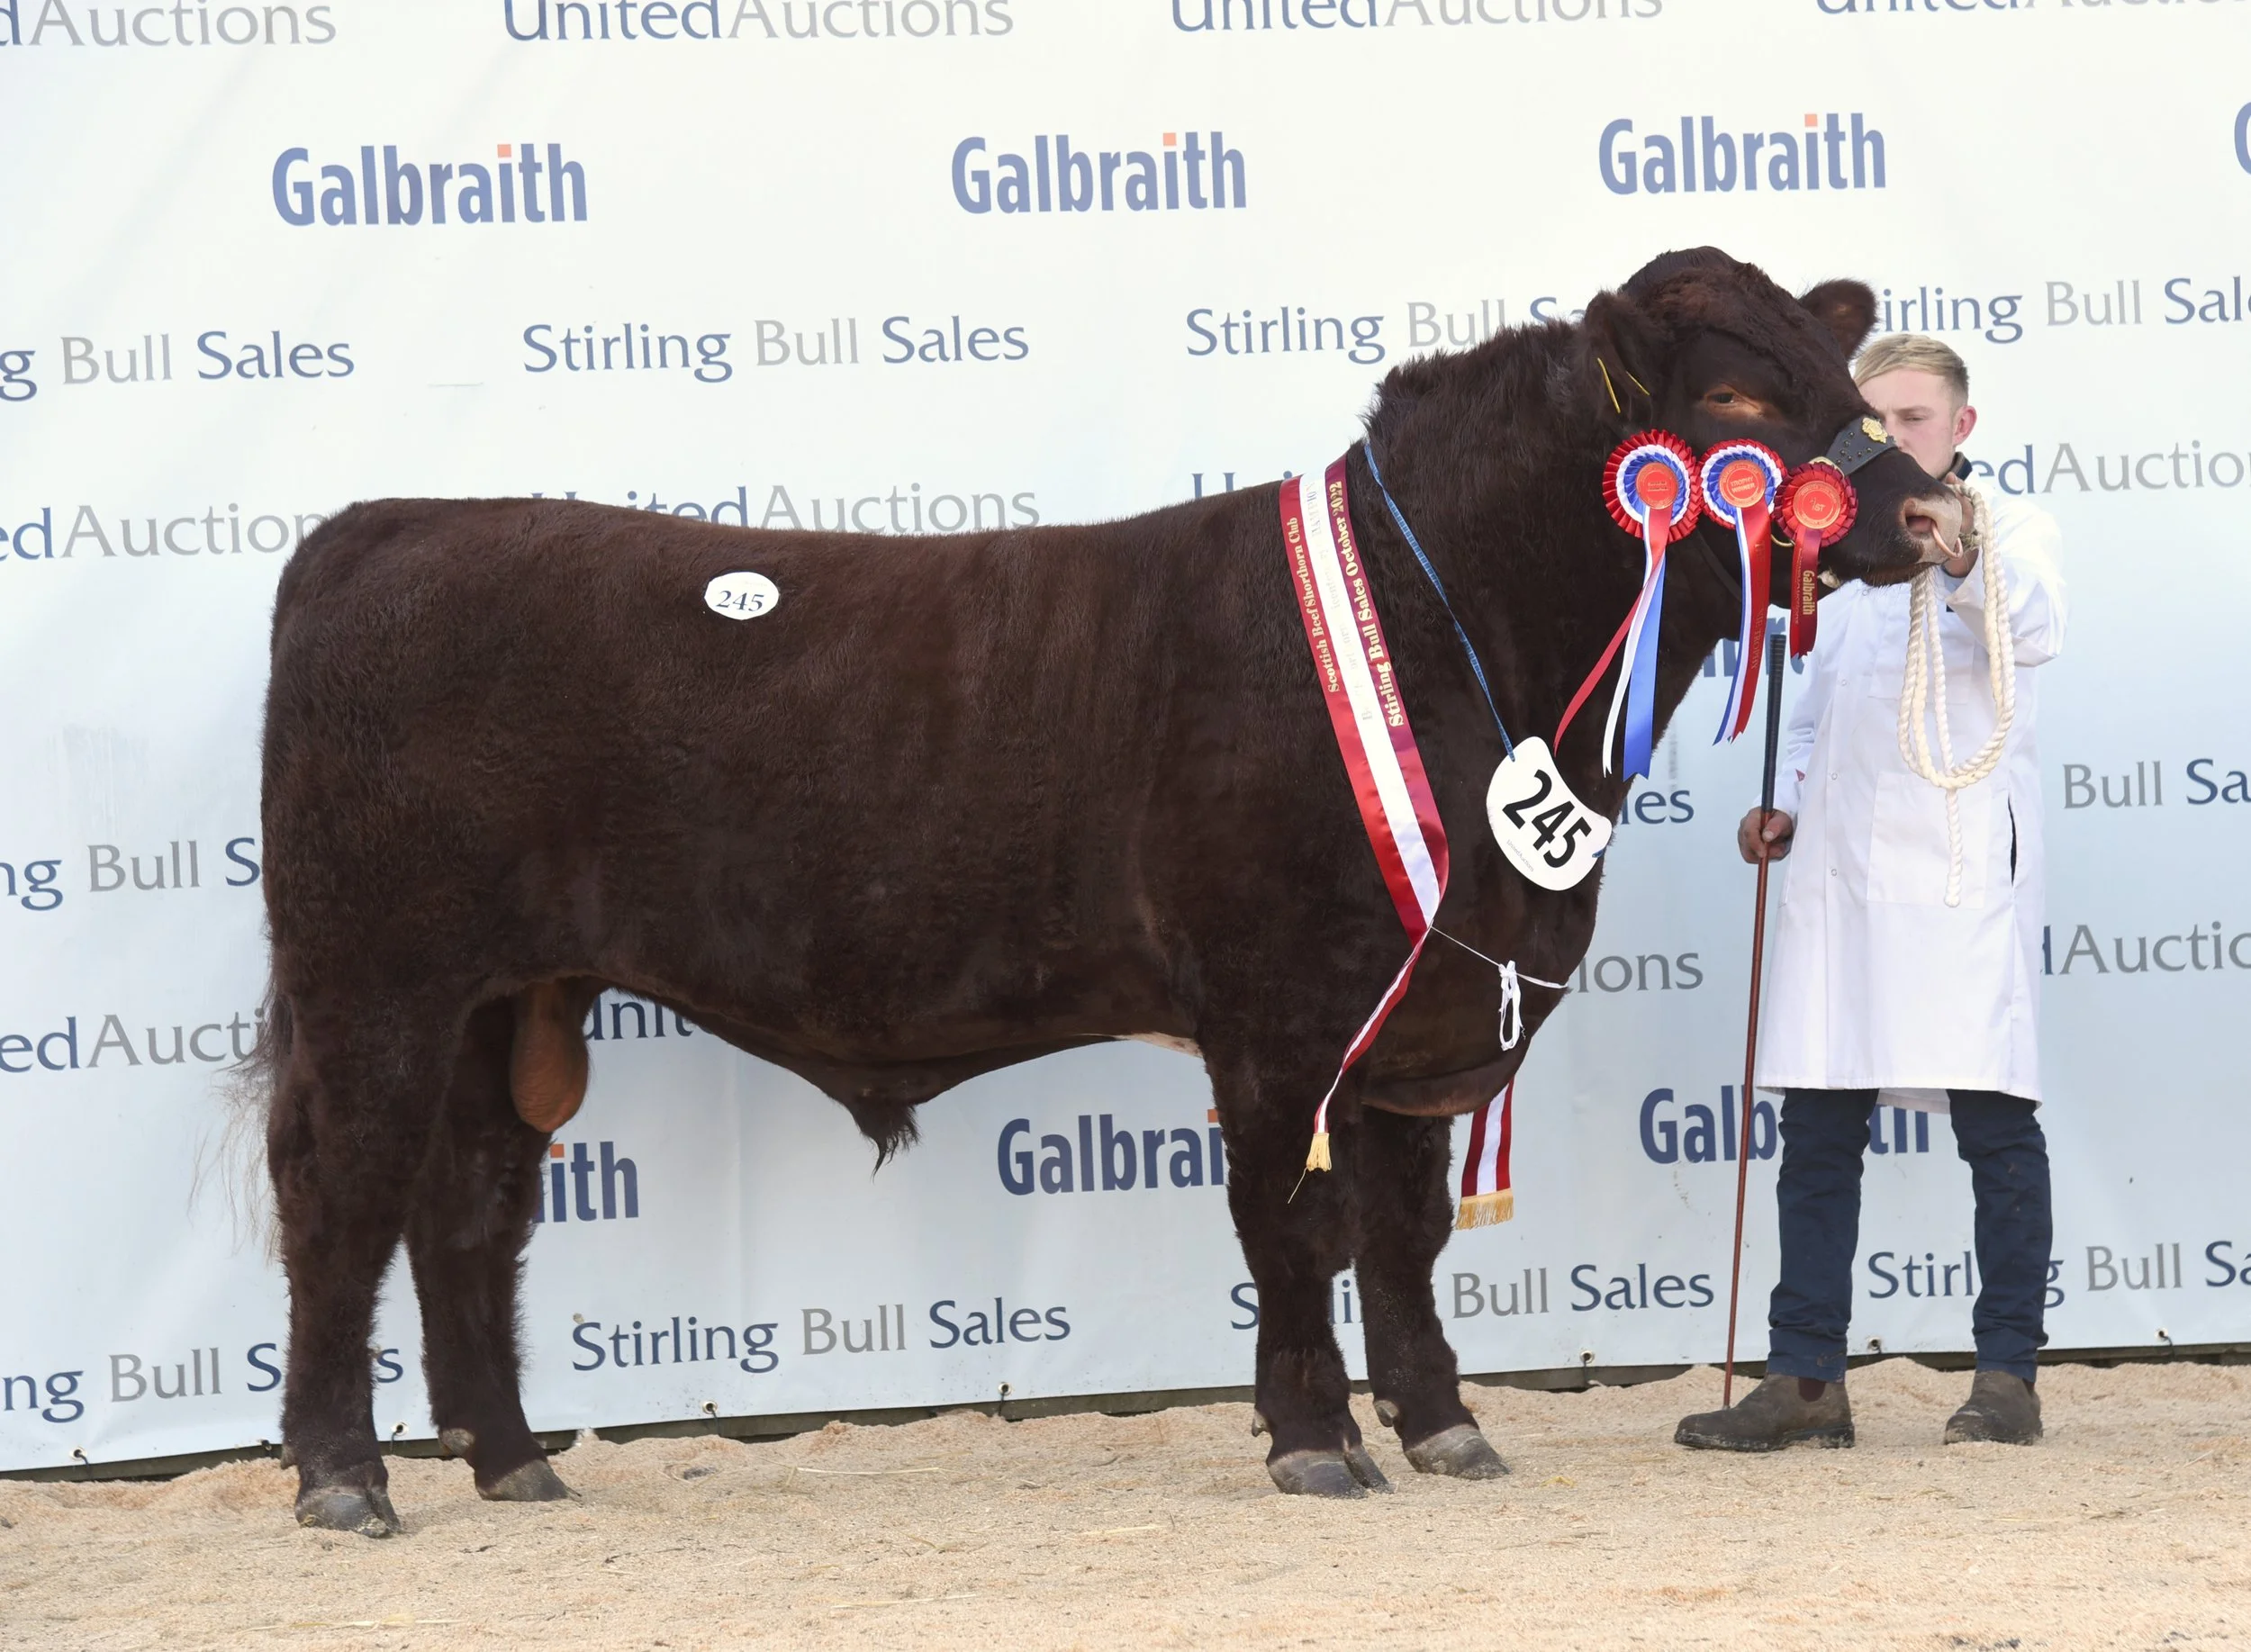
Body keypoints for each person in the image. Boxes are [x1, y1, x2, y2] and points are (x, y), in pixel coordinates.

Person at [1676, 335, 2068, 1450]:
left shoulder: (2010, 529)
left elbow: (2032, 627)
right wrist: (1786, 800)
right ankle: (1805, 1379)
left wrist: (1955, 557)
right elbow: (1814, 706)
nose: (1893, 439)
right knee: (1818, 1126)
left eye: (1914, 418)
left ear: (1960, 427)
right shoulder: (1833, 554)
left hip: (1952, 871)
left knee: (1996, 1127)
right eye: (1874, 423)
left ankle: (2005, 1376)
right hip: (1841, 872)